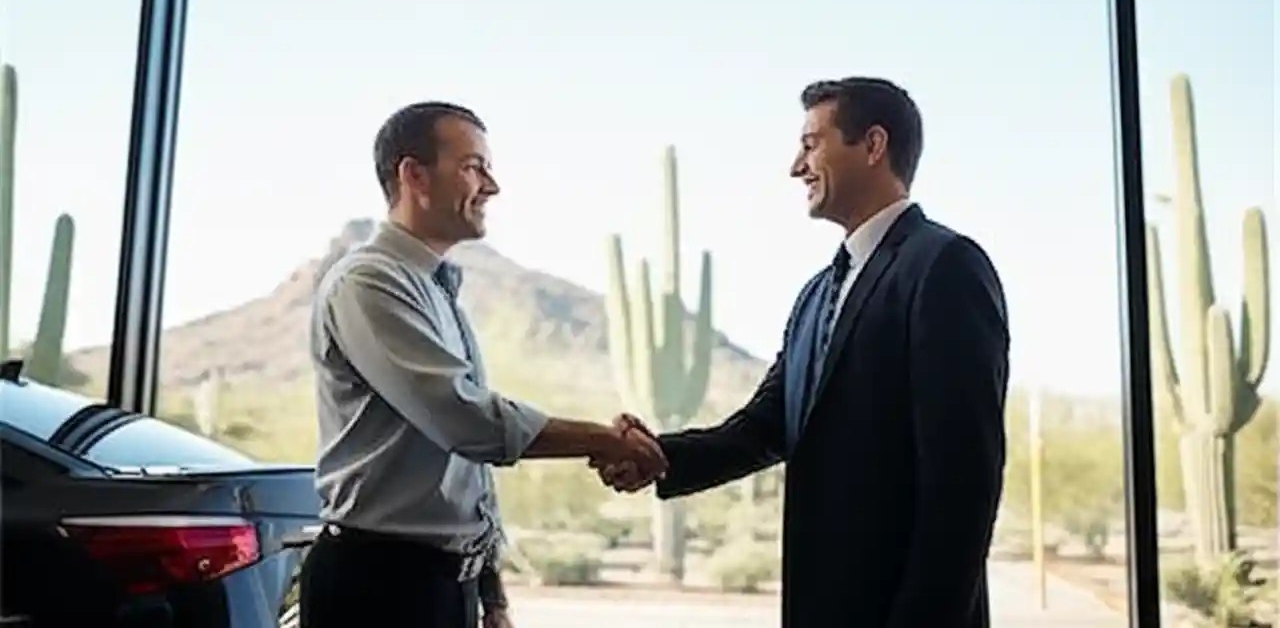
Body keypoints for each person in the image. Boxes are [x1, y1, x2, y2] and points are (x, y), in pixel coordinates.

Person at [596, 77, 1010, 628]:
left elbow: (965, 480)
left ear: (873, 145)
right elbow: (764, 428)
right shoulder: (815, 295)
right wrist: (658, 456)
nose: (797, 166)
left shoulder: (946, 267)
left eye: (811, 143)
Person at [299, 101, 667, 628]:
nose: (491, 186)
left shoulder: (435, 289)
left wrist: (490, 595)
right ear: (414, 174)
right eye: (474, 166)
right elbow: (464, 421)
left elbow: (464, 474)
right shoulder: (369, 283)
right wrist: (603, 440)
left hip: (441, 588)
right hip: (379, 592)